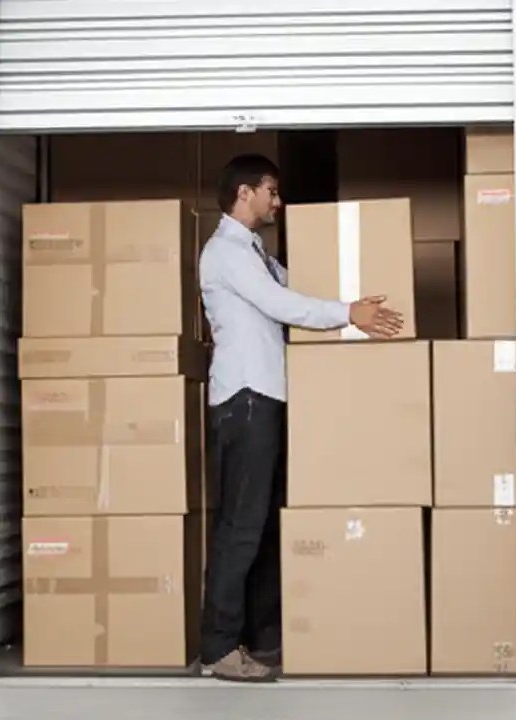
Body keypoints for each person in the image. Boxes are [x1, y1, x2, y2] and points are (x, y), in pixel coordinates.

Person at [198, 154, 404, 682]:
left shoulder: (255, 253)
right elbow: (283, 305)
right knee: (241, 528)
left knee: (262, 526)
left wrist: (355, 287)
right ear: (244, 193)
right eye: (271, 190)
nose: (277, 201)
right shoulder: (225, 252)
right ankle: (220, 647)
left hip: (263, 398)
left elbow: (301, 283)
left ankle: (263, 641)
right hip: (244, 399)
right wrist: (348, 314)